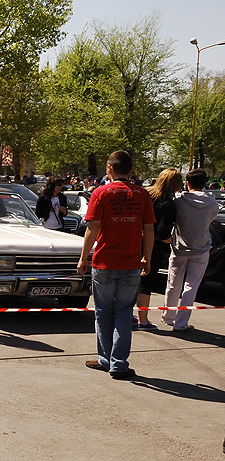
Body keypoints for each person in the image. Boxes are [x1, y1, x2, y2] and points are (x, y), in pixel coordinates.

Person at [78, 150, 154, 380]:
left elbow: (93, 228)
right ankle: (118, 363)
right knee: (123, 313)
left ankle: (105, 359)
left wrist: (83, 258)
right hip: (131, 262)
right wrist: (146, 257)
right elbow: (149, 230)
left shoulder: (101, 193)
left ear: (110, 168)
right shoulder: (142, 195)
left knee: (103, 312)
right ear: (131, 170)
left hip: (104, 261)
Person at [162, 168, 219, 331]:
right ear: (205, 184)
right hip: (201, 249)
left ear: (187, 183)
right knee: (191, 286)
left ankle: (168, 316)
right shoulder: (212, 204)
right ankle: (181, 323)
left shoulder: (179, 201)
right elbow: (211, 219)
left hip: (179, 247)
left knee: (173, 283)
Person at [134, 169, 181, 330]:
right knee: (145, 282)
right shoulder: (168, 204)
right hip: (152, 248)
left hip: (133, 242)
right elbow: (162, 232)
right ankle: (143, 320)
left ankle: (126, 314)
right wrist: (169, 239)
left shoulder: (145, 195)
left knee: (129, 279)